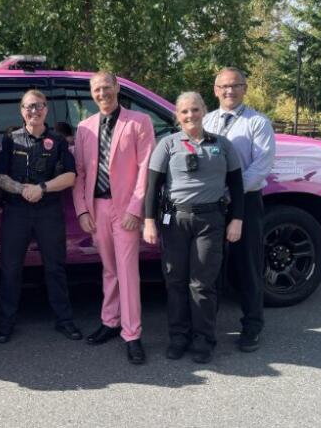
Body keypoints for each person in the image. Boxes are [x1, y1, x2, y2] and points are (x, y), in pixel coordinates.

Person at [143, 92, 244, 363]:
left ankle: (203, 339)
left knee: (203, 284)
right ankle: (179, 337)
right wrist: (149, 221)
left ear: (204, 111)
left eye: (195, 110)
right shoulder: (167, 145)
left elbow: (236, 186)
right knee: (175, 281)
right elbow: (153, 186)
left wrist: (237, 219)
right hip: (175, 220)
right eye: (184, 111)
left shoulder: (222, 145)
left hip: (211, 220)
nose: (190, 116)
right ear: (177, 115)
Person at [72, 71, 155, 364]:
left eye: (107, 87)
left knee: (127, 272)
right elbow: (80, 173)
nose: (102, 93)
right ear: (92, 93)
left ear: (117, 87)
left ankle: (132, 334)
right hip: (98, 208)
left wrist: (136, 209)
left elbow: (146, 169)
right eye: (96, 89)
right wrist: (82, 209)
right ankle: (110, 321)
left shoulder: (139, 122)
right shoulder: (84, 127)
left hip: (126, 210)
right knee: (108, 269)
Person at [0, 89, 81, 343]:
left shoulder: (58, 141)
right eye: (29, 106)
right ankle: (6, 322)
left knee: (55, 268)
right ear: (22, 110)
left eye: (39, 106)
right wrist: (23, 190)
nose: (34, 111)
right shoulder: (10, 140)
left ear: (46, 109)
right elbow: (0, 176)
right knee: (10, 268)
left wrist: (42, 188)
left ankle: (64, 320)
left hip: (48, 212)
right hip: (17, 211)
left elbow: (70, 176)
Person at [203, 67, 276, 352]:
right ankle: (209, 329)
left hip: (245, 200)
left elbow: (261, 167)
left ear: (245, 88)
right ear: (215, 89)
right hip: (211, 203)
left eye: (235, 86)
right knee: (212, 266)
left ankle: (252, 326)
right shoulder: (207, 119)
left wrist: (229, 192)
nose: (229, 91)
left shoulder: (258, 123)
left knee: (248, 265)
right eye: (224, 86)